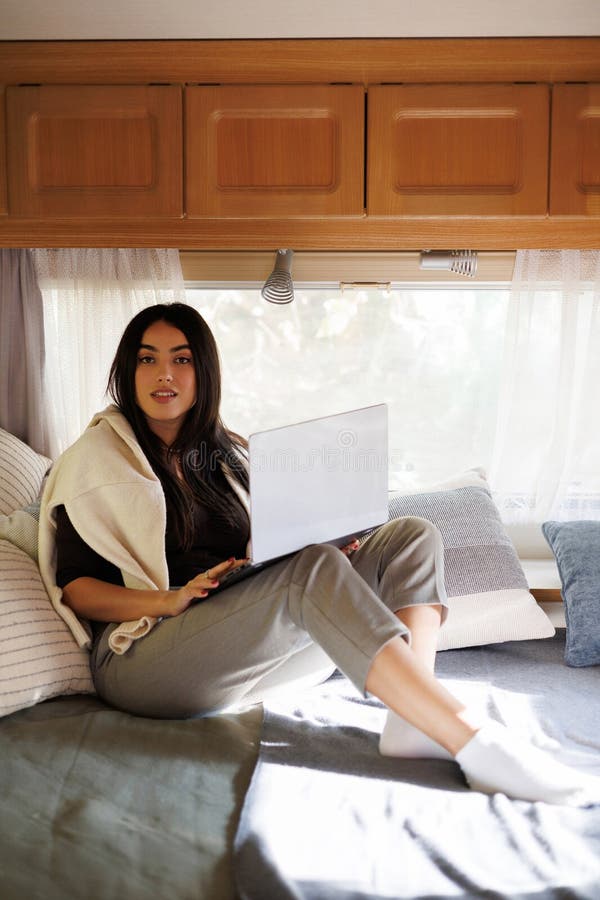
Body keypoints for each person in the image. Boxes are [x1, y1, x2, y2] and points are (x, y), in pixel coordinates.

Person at [39, 302, 598, 807]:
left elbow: (263, 555)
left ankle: (412, 718)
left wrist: (325, 538)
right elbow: (76, 589)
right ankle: (468, 737)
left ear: (203, 372)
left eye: (182, 359)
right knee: (309, 573)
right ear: (126, 370)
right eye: (147, 359)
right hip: (143, 655)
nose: (165, 374)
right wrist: (170, 599)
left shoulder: (223, 454)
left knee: (410, 534)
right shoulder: (95, 460)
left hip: (228, 631)